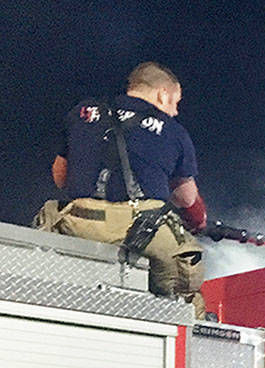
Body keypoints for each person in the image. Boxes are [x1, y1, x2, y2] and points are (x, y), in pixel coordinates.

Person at [34, 62, 209, 316]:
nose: (175, 111)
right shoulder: (173, 131)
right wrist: (199, 220)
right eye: (175, 102)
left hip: (78, 223)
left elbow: (60, 177)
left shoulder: (83, 112)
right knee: (186, 287)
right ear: (162, 93)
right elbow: (186, 196)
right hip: (143, 228)